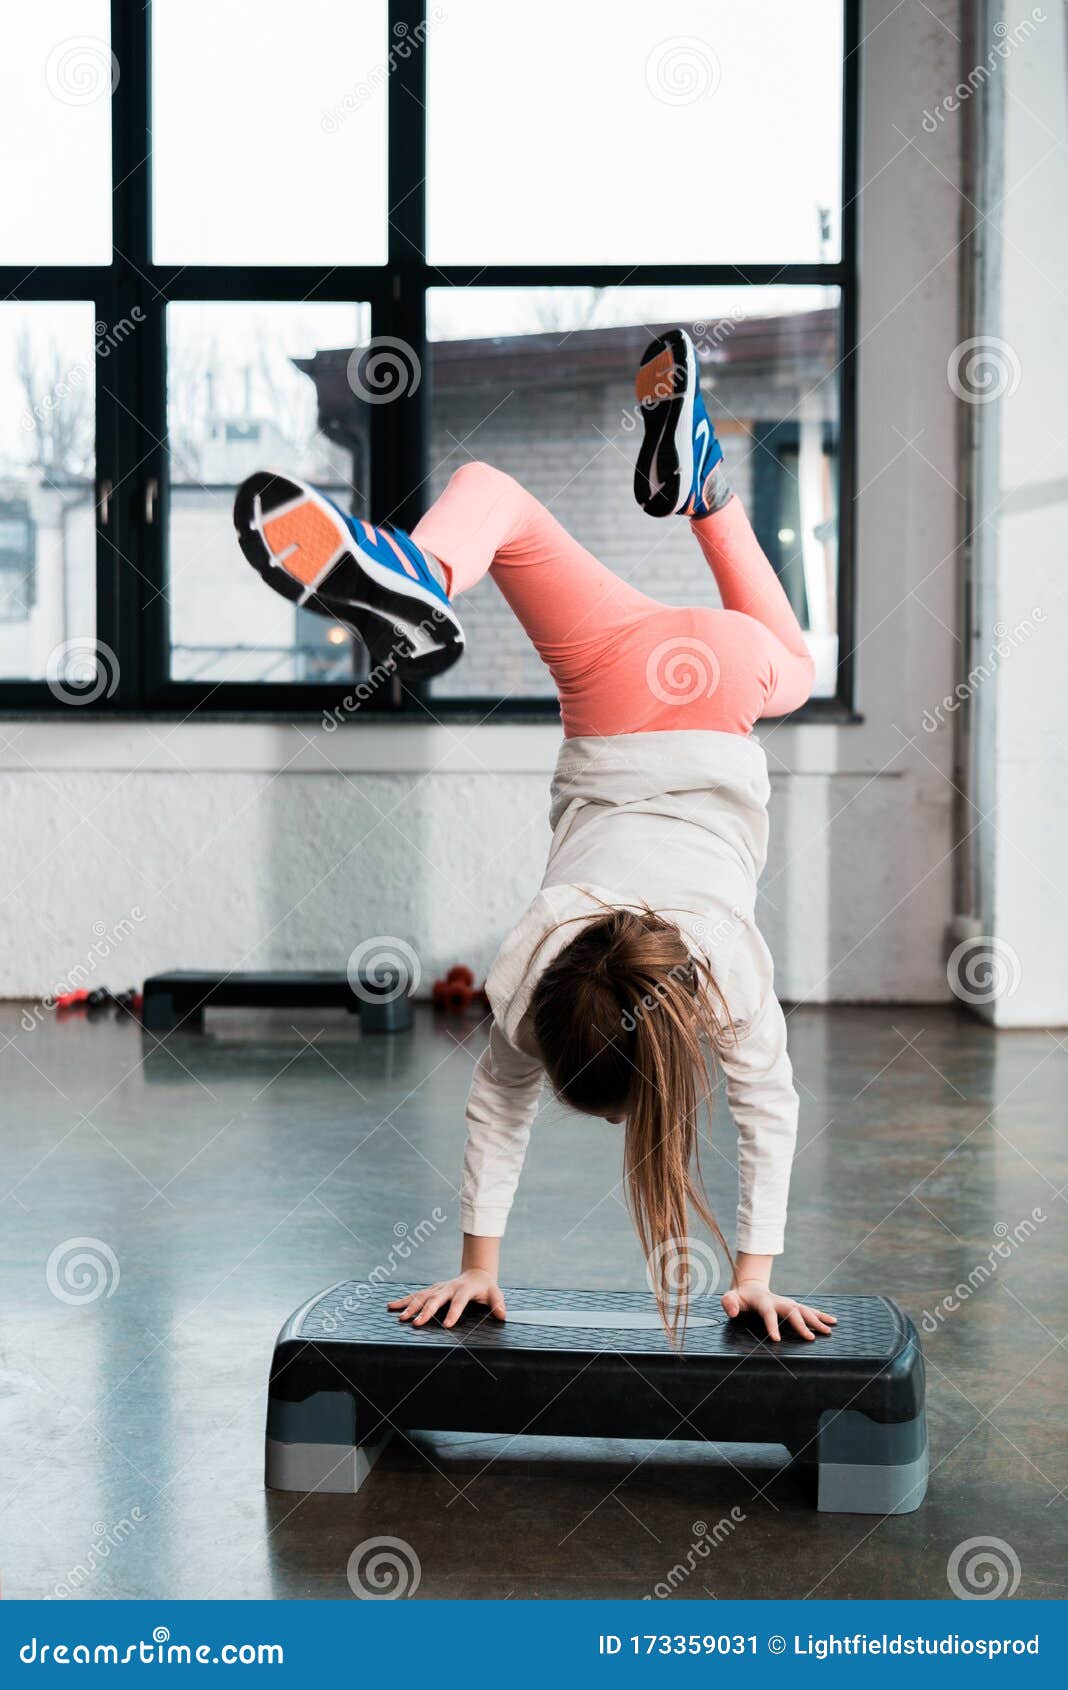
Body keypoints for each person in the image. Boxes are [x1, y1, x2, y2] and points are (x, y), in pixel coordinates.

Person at [233, 327, 836, 1343]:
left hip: (714, 680)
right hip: (616, 679)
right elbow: (500, 1107)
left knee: (796, 667)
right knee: (497, 494)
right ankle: (427, 565)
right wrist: (477, 1265)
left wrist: (755, 1277)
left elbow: (768, 1111)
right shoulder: (534, 963)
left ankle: (694, 491)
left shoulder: (722, 977)